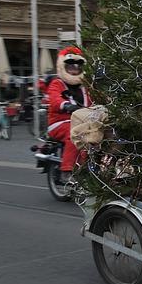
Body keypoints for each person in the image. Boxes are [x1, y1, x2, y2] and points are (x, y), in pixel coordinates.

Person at [45, 46, 93, 182]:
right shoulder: (57, 83)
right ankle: (67, 171)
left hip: (83, 121)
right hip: (60, 122)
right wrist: (65, 104)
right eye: (71, 66)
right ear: (63, 66)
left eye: (78, 66)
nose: (75, 69)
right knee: (75, 133)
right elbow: (54, 99)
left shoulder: (85, 86)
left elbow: (94, 100)